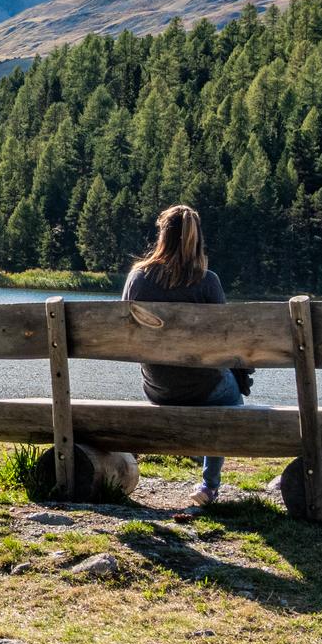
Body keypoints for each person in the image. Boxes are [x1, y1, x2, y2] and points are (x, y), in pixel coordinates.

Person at [121, 204, 249, 506]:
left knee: (217, 386)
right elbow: (225, 339)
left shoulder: (137, 277)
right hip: (205, 389)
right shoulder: (207, 281)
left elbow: (122, 331)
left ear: (162, 235)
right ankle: (209, 485)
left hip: (158, 388)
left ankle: (197, 456)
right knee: (232, 399)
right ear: (196, 238)